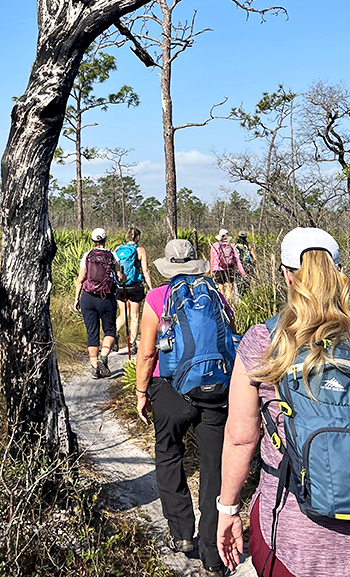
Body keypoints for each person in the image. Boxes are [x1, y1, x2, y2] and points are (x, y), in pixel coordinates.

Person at [217, 227, 350, 577]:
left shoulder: (263, 341)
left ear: (287, 276)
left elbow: (240, 439)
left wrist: (228, 509)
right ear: (339, 273)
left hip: (290, 537)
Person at [136, 239, 232, 576]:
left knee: (168, 453)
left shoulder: (157, 297)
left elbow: (147, 352)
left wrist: (141, 392)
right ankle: (212, 553)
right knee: (213, 467)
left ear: (167, 266)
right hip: (215, 389)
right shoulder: (215, 294)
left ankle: (181, 534)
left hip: (170, 388)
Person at [74, 227, 125, 379]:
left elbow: (80, 279)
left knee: (92, 332)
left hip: (88, 298)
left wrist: (76, 299)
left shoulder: (87, 255)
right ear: (105, 240)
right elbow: (119, 277)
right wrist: (123, 277)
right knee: (110, 330)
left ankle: (94, 368)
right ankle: (103, 357)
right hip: (106, 298)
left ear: (92, 241)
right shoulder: (112, 255)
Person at [114, 226, 153, 355]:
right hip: (135, 286)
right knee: (135, 317)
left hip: (121, 286)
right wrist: (150, 287)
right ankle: (132, 344)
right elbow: (145, 270)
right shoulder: (140, 250)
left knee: (123, 314)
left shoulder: (118, 249)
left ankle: (114, 333)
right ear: (137, 237)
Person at [210, 228, 246, 303]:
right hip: (230, 269)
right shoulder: (231, 246)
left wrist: (212, 270)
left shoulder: (215, 246)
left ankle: (223, 304)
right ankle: (229, 304)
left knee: (221, 290)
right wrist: (242, 272)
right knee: (229, 290)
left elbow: (213, 259)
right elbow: (237, 260)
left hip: (218, 270)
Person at [234, 230, 257, 295]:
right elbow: (255, 258)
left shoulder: (234, 245)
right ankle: (246, 295)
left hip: (237, 266)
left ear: (238, 237)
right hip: (247, 266)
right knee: (247, 282)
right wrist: (253, 266)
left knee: (238, 282)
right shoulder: (249, 246)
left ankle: (240, 294)